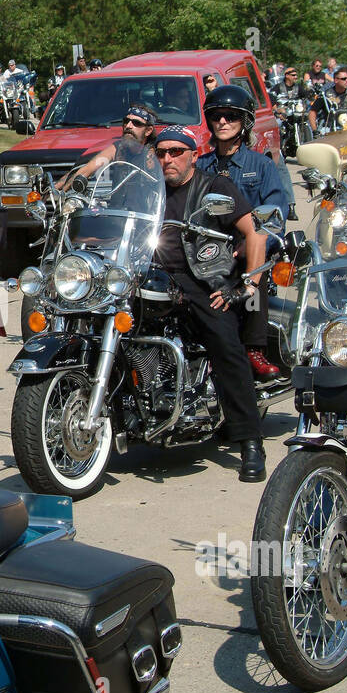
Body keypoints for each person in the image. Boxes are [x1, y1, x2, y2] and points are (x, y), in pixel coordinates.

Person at [153, 126, 267, 482]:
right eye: (161, 152)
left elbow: (255, 234)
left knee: (224, 344)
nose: (167, 159)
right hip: (153, 276)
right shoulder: (148, 190)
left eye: (176, 151)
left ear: (192, 153)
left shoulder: (215, 187)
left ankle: (250, 440)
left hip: (203, 279)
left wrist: (247, 285)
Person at [195, 84, 293, 380]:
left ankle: (253, 348)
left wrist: (249, 241)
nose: (222, 122)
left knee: (252, 266)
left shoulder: (261, 165)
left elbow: (276, 213)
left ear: (244, 121)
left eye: (230, 116)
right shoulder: (200, 165)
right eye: (216, 117)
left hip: (247, 245)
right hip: (205, 247)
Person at [60, 103, 162, 189]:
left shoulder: (157, 153)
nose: (128, 126)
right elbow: (86, 170)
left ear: (148, 131)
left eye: (136, 123)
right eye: (126, 121)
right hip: (118, 211)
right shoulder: (117, 148)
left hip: (145, 212)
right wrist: (61, 192)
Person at [309, 67, 347, 135]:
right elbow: (312, 112)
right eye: (344, 79)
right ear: (336, 80)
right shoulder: (325, 95)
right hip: (330, 130)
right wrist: (315, 130)